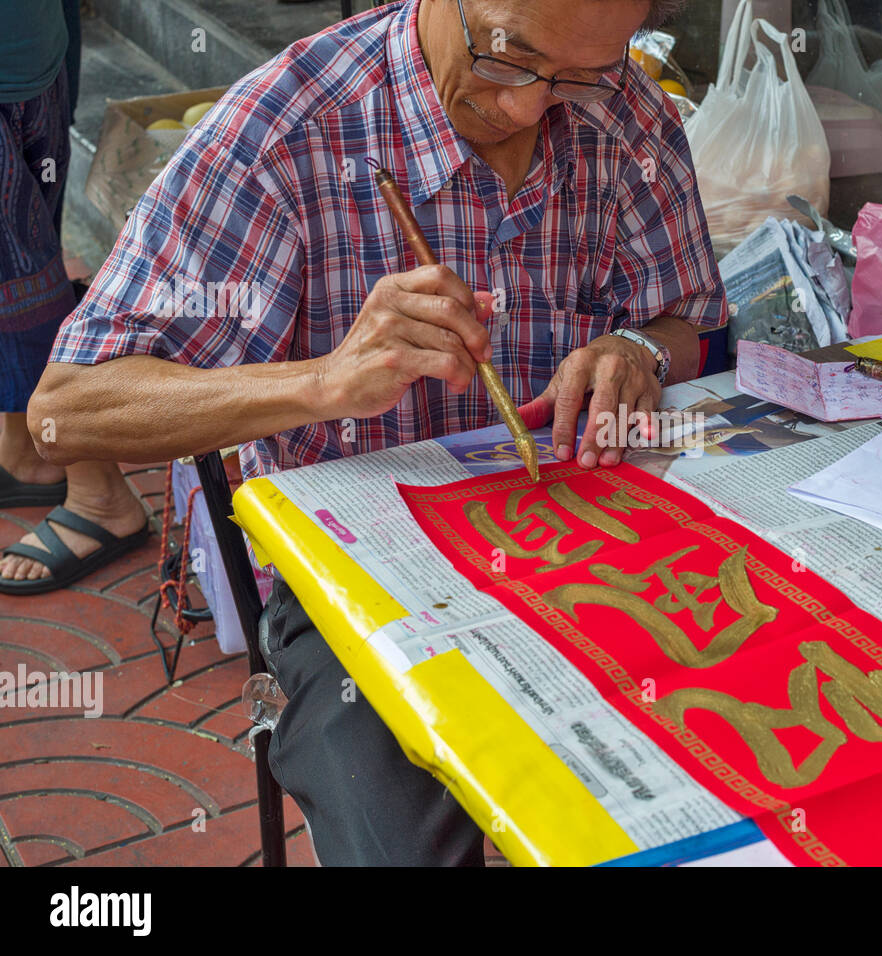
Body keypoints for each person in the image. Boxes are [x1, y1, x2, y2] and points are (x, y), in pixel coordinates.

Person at [27, 0, 724, 865]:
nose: (526, 108)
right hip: (366, 599)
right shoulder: (286, 134)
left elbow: (686, 319)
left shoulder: (629, 115)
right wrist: (324, 381)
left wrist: (639, 349)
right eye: (508, 57)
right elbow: (66, 409)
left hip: (587, 541)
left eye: (579, 75)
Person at [0, 0, 149, 595]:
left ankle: (101, 495)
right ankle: (24, 451)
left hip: (22, 51)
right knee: (23, 261)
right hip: (27, 44)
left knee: (23, 285)